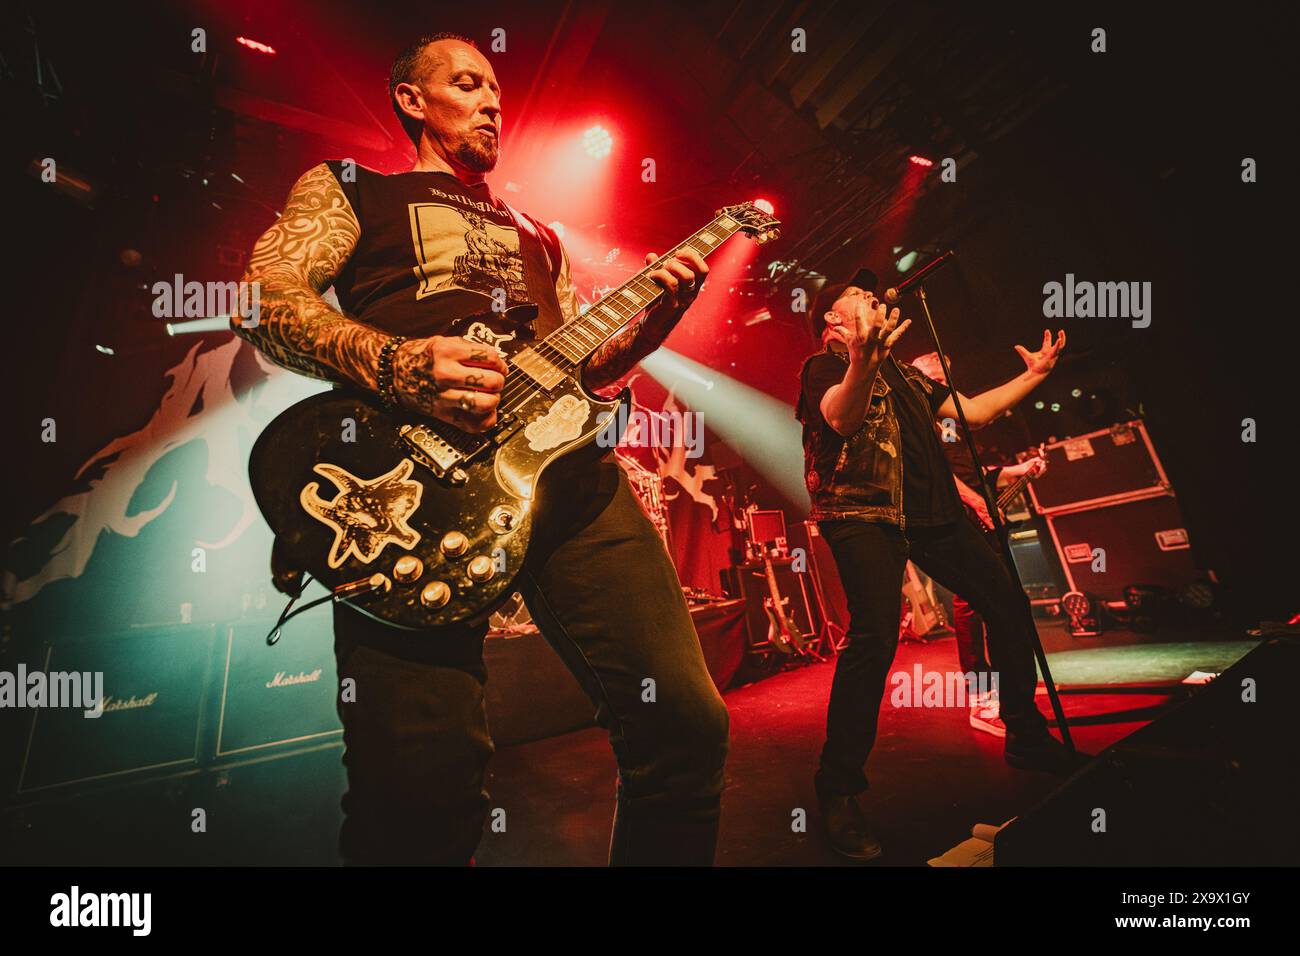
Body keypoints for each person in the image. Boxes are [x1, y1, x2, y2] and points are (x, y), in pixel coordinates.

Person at [232, 33, 728, 866]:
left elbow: (572, 368)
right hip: (405, 487)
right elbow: (260, 297)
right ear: (412, 100)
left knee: (684, 723)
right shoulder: (353, 189)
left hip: (566, 478)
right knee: (419, 792)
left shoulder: (541, 235)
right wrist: (396, 362)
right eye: (468, 83)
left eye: (500, 87)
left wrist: (637, 341)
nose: (494, 99)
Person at [795, 275, 1072, 860]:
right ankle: (838, 788)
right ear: (833, 322)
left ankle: (1024, 731)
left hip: (931, 513)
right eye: (857, 294)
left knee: (1007, 602)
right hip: (863, 512)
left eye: (873, 294)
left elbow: (971, 412)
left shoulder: (908, 375)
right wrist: (862, 361)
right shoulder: (822, 368)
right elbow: (841, 420)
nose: (873, 297)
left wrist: (1033, 376)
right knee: (873, 636)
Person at [911, 351, 1048, 738]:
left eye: (944, 374)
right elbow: (939, 472)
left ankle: (1009, 688)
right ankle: (982, 695)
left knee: (1002, 599)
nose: (939, 381)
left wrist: (1018, 470)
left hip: (977, 506)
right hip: (959, 512)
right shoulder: (920, 418)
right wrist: (975, 504)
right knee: (972, 602)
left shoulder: (950, 418)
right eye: (931, 376)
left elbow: (964, 468)